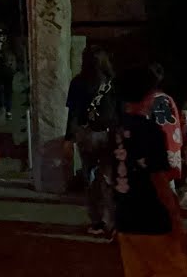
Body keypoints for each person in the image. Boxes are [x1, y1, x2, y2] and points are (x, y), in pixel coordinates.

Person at [111, 65, 187, 277]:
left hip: (125, 218)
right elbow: (158, 179)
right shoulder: (150, 131)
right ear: (149, 94)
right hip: (151, 218)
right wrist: (175, 218)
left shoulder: (116, 128)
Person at [64, 46, 118, 236]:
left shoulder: (78, 82)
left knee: (91, 177)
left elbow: (73, 113)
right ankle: (108, 221)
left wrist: (69, 138)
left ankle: (96, 220)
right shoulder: (112, 82)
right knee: (108, 178)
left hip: (86, 133)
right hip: (108, 133)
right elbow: (117, 110)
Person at [143, 63, 184, 180]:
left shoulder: (153, 100)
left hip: (157, 156)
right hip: (167, 151)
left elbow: (163, 129)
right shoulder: (164, 98)